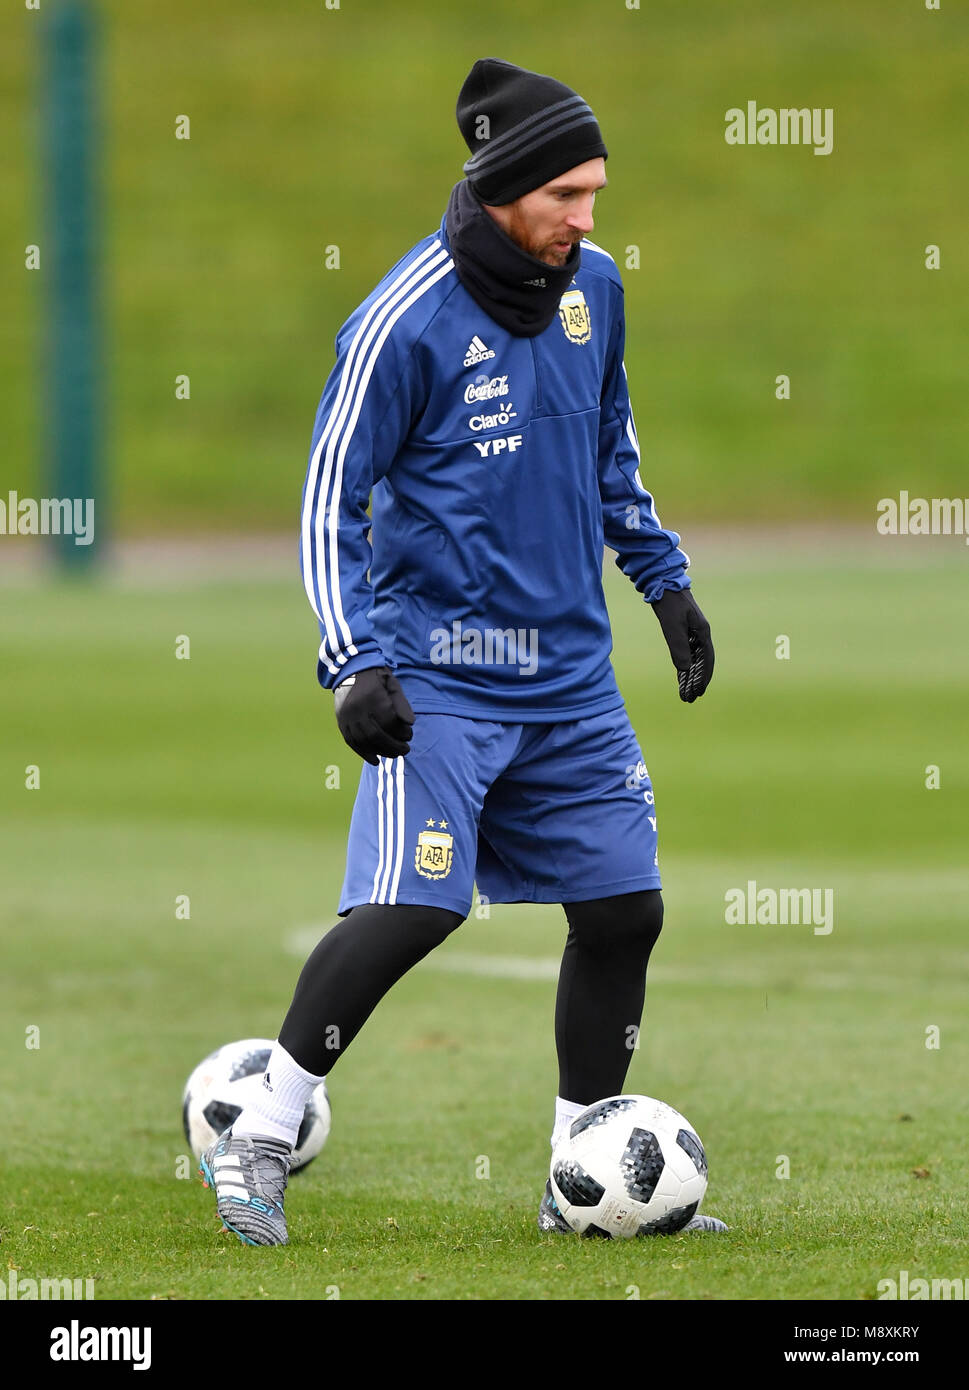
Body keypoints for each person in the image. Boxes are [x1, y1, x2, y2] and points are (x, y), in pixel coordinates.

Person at [200, 57, 723, 1246]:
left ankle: (582, 1168)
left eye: (597, 194)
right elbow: (328, 495)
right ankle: (262, 1132)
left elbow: (610, 452)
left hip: (572, 676)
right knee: (411, 906)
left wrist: (666, 581)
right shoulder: (405, 319)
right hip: (437, 675)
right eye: (568, 197)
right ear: (504, 189)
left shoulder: (594, 290)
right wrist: (354, 663)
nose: (589, 219)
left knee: (625, 910)